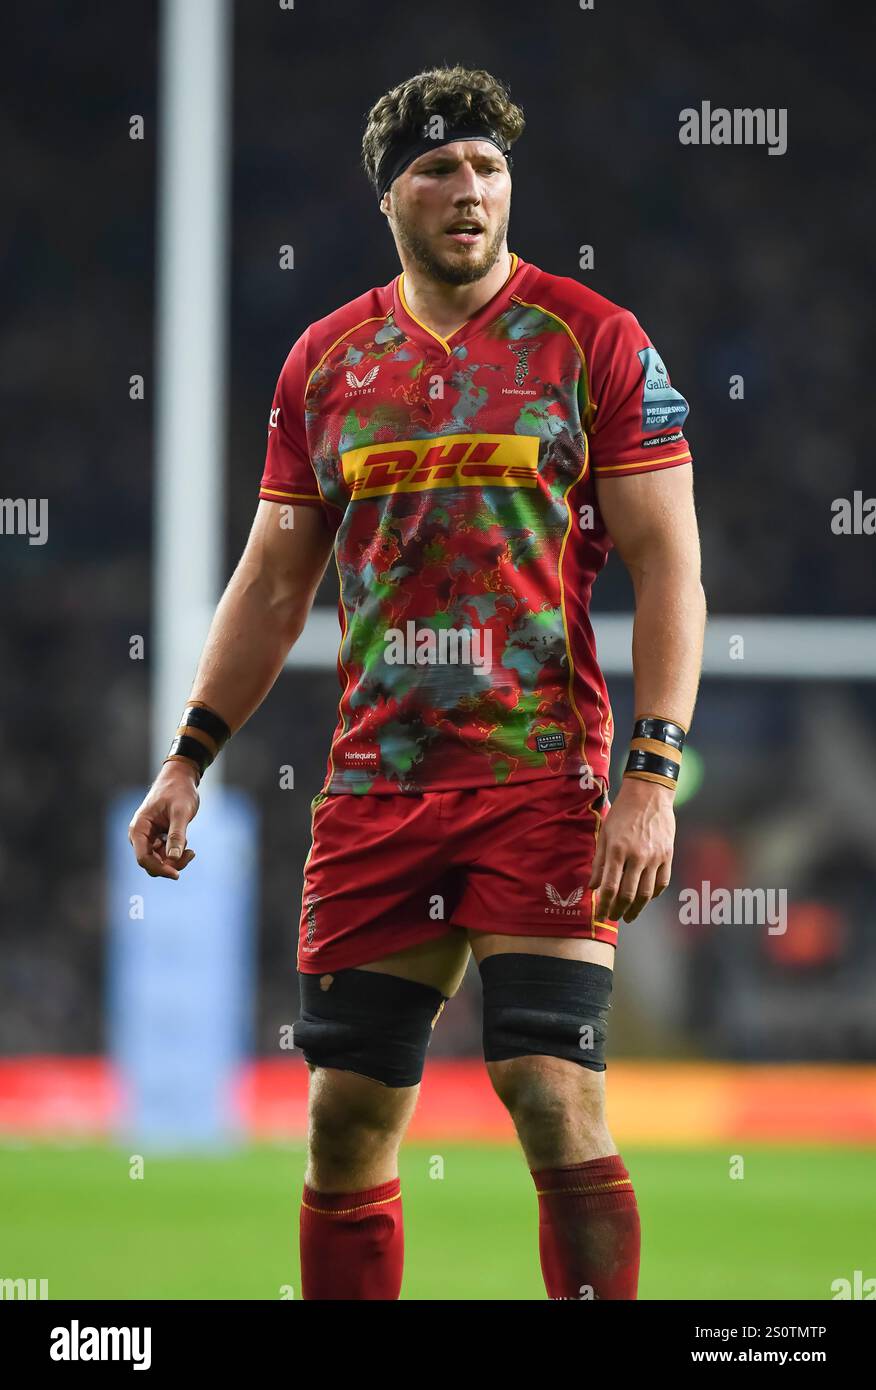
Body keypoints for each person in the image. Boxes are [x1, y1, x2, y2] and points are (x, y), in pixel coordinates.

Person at [129, 64, 706, 1300]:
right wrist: (188, 757)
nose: (470, 190)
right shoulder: (325, 364)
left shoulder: (592, 341)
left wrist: (648, 780)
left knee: (551, 1087)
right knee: (343, 1118)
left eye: (490, 168)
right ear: (388, 195)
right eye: (440, 168)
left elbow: (671, 571)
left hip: (539, 777)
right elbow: (273, 584)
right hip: (376, 791)